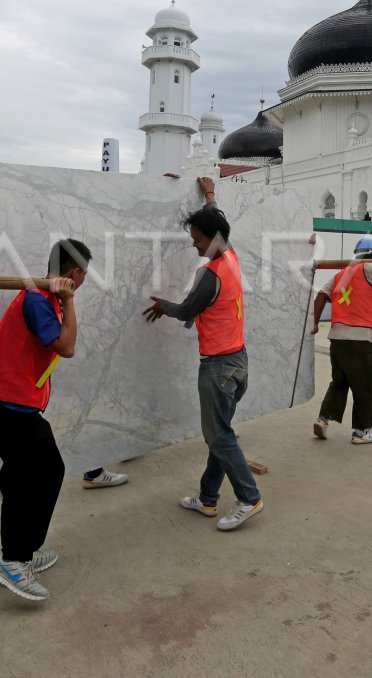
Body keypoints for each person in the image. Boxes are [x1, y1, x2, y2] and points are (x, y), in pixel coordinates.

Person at [142, 176, 263, 532]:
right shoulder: (230, 255)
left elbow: (185, 310)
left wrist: (162, 305)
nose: (194, 246)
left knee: (219, 436)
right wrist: (209, 196)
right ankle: (208, 499)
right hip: (238, 362)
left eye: (196, 240)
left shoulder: (211, 274)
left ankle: (249, 498)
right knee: (219, 432)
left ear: (212, 239)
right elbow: (215, 218)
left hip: (218, 367)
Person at [0, 239, 90, 601]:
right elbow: (66, 348)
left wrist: (64, 300)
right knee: (34, 477)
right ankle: (13, 559)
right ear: (75, 273)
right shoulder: (38, 301)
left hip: (14, 403)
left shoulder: (44, 299)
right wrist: (70, 301)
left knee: (34, 475)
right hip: (7, 404)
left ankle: (23, 550)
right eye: (84, 276)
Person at [310, 237, 372, 444]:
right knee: (366, 386)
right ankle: (361, 432)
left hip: (338, 339)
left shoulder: (341, 274)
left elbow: (321, 296)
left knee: (339, 382)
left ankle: (323, 419)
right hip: (362, 340)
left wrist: (315, 323)